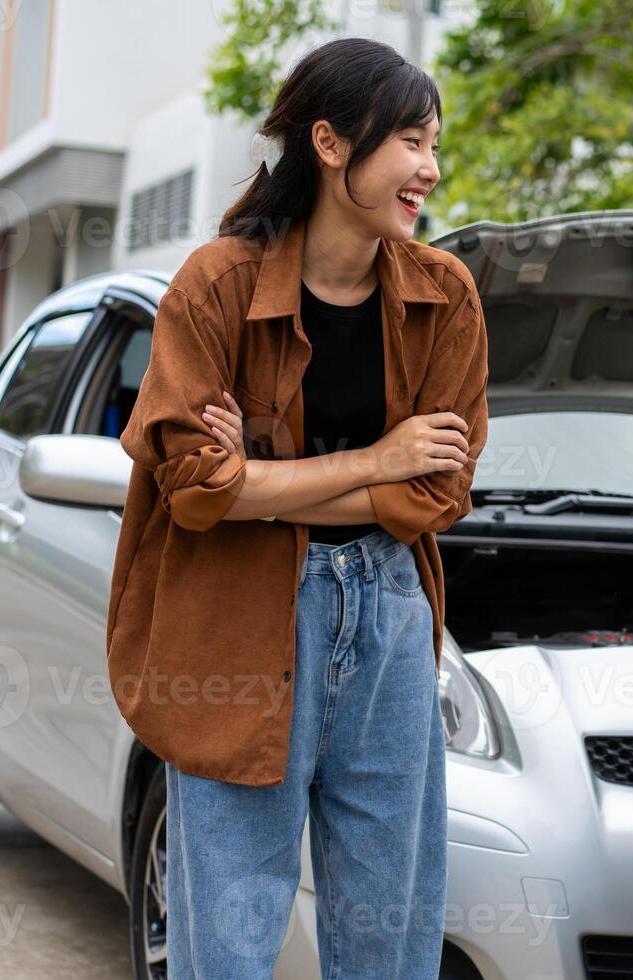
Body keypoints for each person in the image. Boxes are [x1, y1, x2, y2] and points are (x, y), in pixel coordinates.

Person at [105, 37, 488, 980]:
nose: (429, 170)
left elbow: (435, 490)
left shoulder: (445, 295)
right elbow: (195, 488)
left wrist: (263, 484)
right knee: (229, 937)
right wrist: (375, 460)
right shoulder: (217, 285)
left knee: (389, 935)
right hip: (233, 624)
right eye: (409, 141)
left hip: (391, 618)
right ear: (328, 142)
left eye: (434, 145)